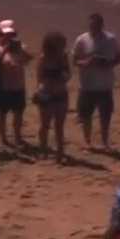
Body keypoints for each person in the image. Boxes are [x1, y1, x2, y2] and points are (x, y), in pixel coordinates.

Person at [72, 13, 120, 151]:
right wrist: (87, 62)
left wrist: (107, 63)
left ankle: (105, 142)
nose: (94, 27)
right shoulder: (81, 39)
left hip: (105, 85)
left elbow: (118, 58)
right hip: (87, 85)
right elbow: (74, 60)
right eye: (92, 25)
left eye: (97, 25)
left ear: (102, 24)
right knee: (86, 115)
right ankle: (88, 142)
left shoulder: (111, 39)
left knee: (105, 115)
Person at [34, 32, 72, 163]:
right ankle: (43, 150)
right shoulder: (43, 58)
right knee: (44, 125)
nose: (63, 46)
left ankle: (60, 153)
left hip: (61, 93)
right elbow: (39, 78)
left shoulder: (64, 57)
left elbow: (68, 75)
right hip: (47, 94)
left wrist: (62, 75)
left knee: (59, 126)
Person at [0, 20, 32, 147]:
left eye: (11, 34)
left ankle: (17, 137)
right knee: (2, 114)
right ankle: (3, 138)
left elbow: (28, 59)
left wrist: (19, 50)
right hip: (3, 86)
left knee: (18, 113)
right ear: (0, 33)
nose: (9, 37)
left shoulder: (20, 46)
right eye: (6, 34)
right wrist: (5, 50)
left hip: (18, 85)